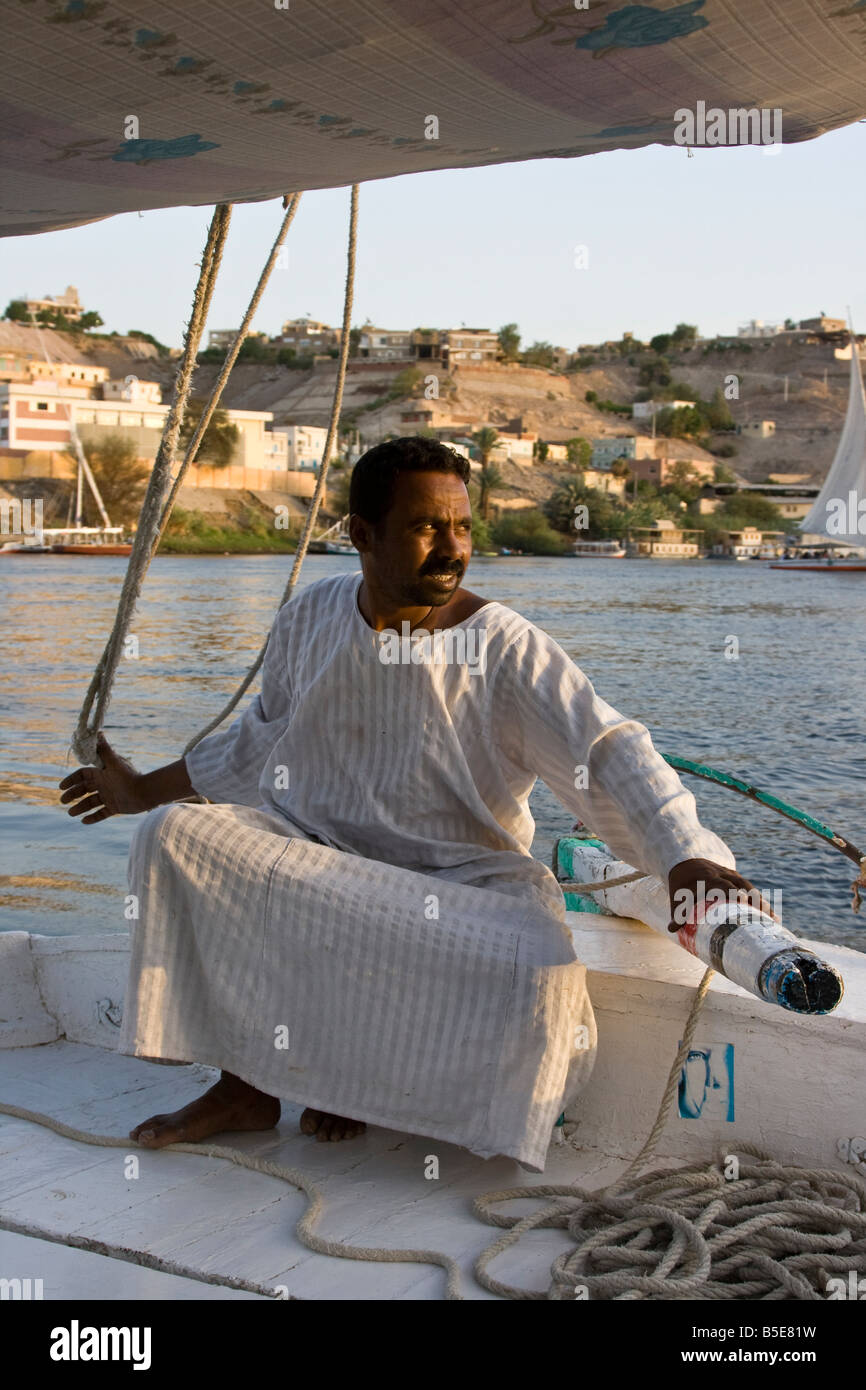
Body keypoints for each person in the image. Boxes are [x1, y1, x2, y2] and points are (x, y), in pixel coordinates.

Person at [59, 437, 759, 1172]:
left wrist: (686, 857)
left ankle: (346, 1080)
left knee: (540, 971)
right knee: (174, 837)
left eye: (462, 527)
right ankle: (247, 1086)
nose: (453, 548)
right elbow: (255, 745)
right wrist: (138, 792)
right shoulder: (311, 617)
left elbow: (609, 753)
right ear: (362, 535)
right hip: (322, 872)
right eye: (428, 528)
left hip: (459, 894)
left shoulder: (506, 648)